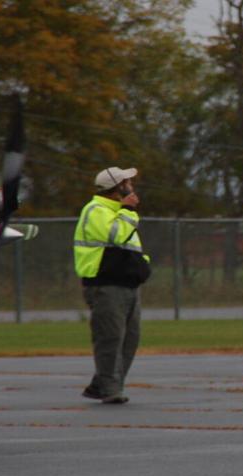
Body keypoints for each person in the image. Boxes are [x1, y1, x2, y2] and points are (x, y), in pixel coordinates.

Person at [74, 166, 152, 403]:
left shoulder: (120, 213)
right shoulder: (96, 210)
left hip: (128, 286)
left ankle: (102, 384)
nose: (132, 186)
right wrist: (128, 210)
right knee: (110, 338)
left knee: (130, 339)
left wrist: (141, 267)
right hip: (106, 286)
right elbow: (116, 236)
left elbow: (129, 248)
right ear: (119, 187)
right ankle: (110, 389)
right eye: (128, 182)